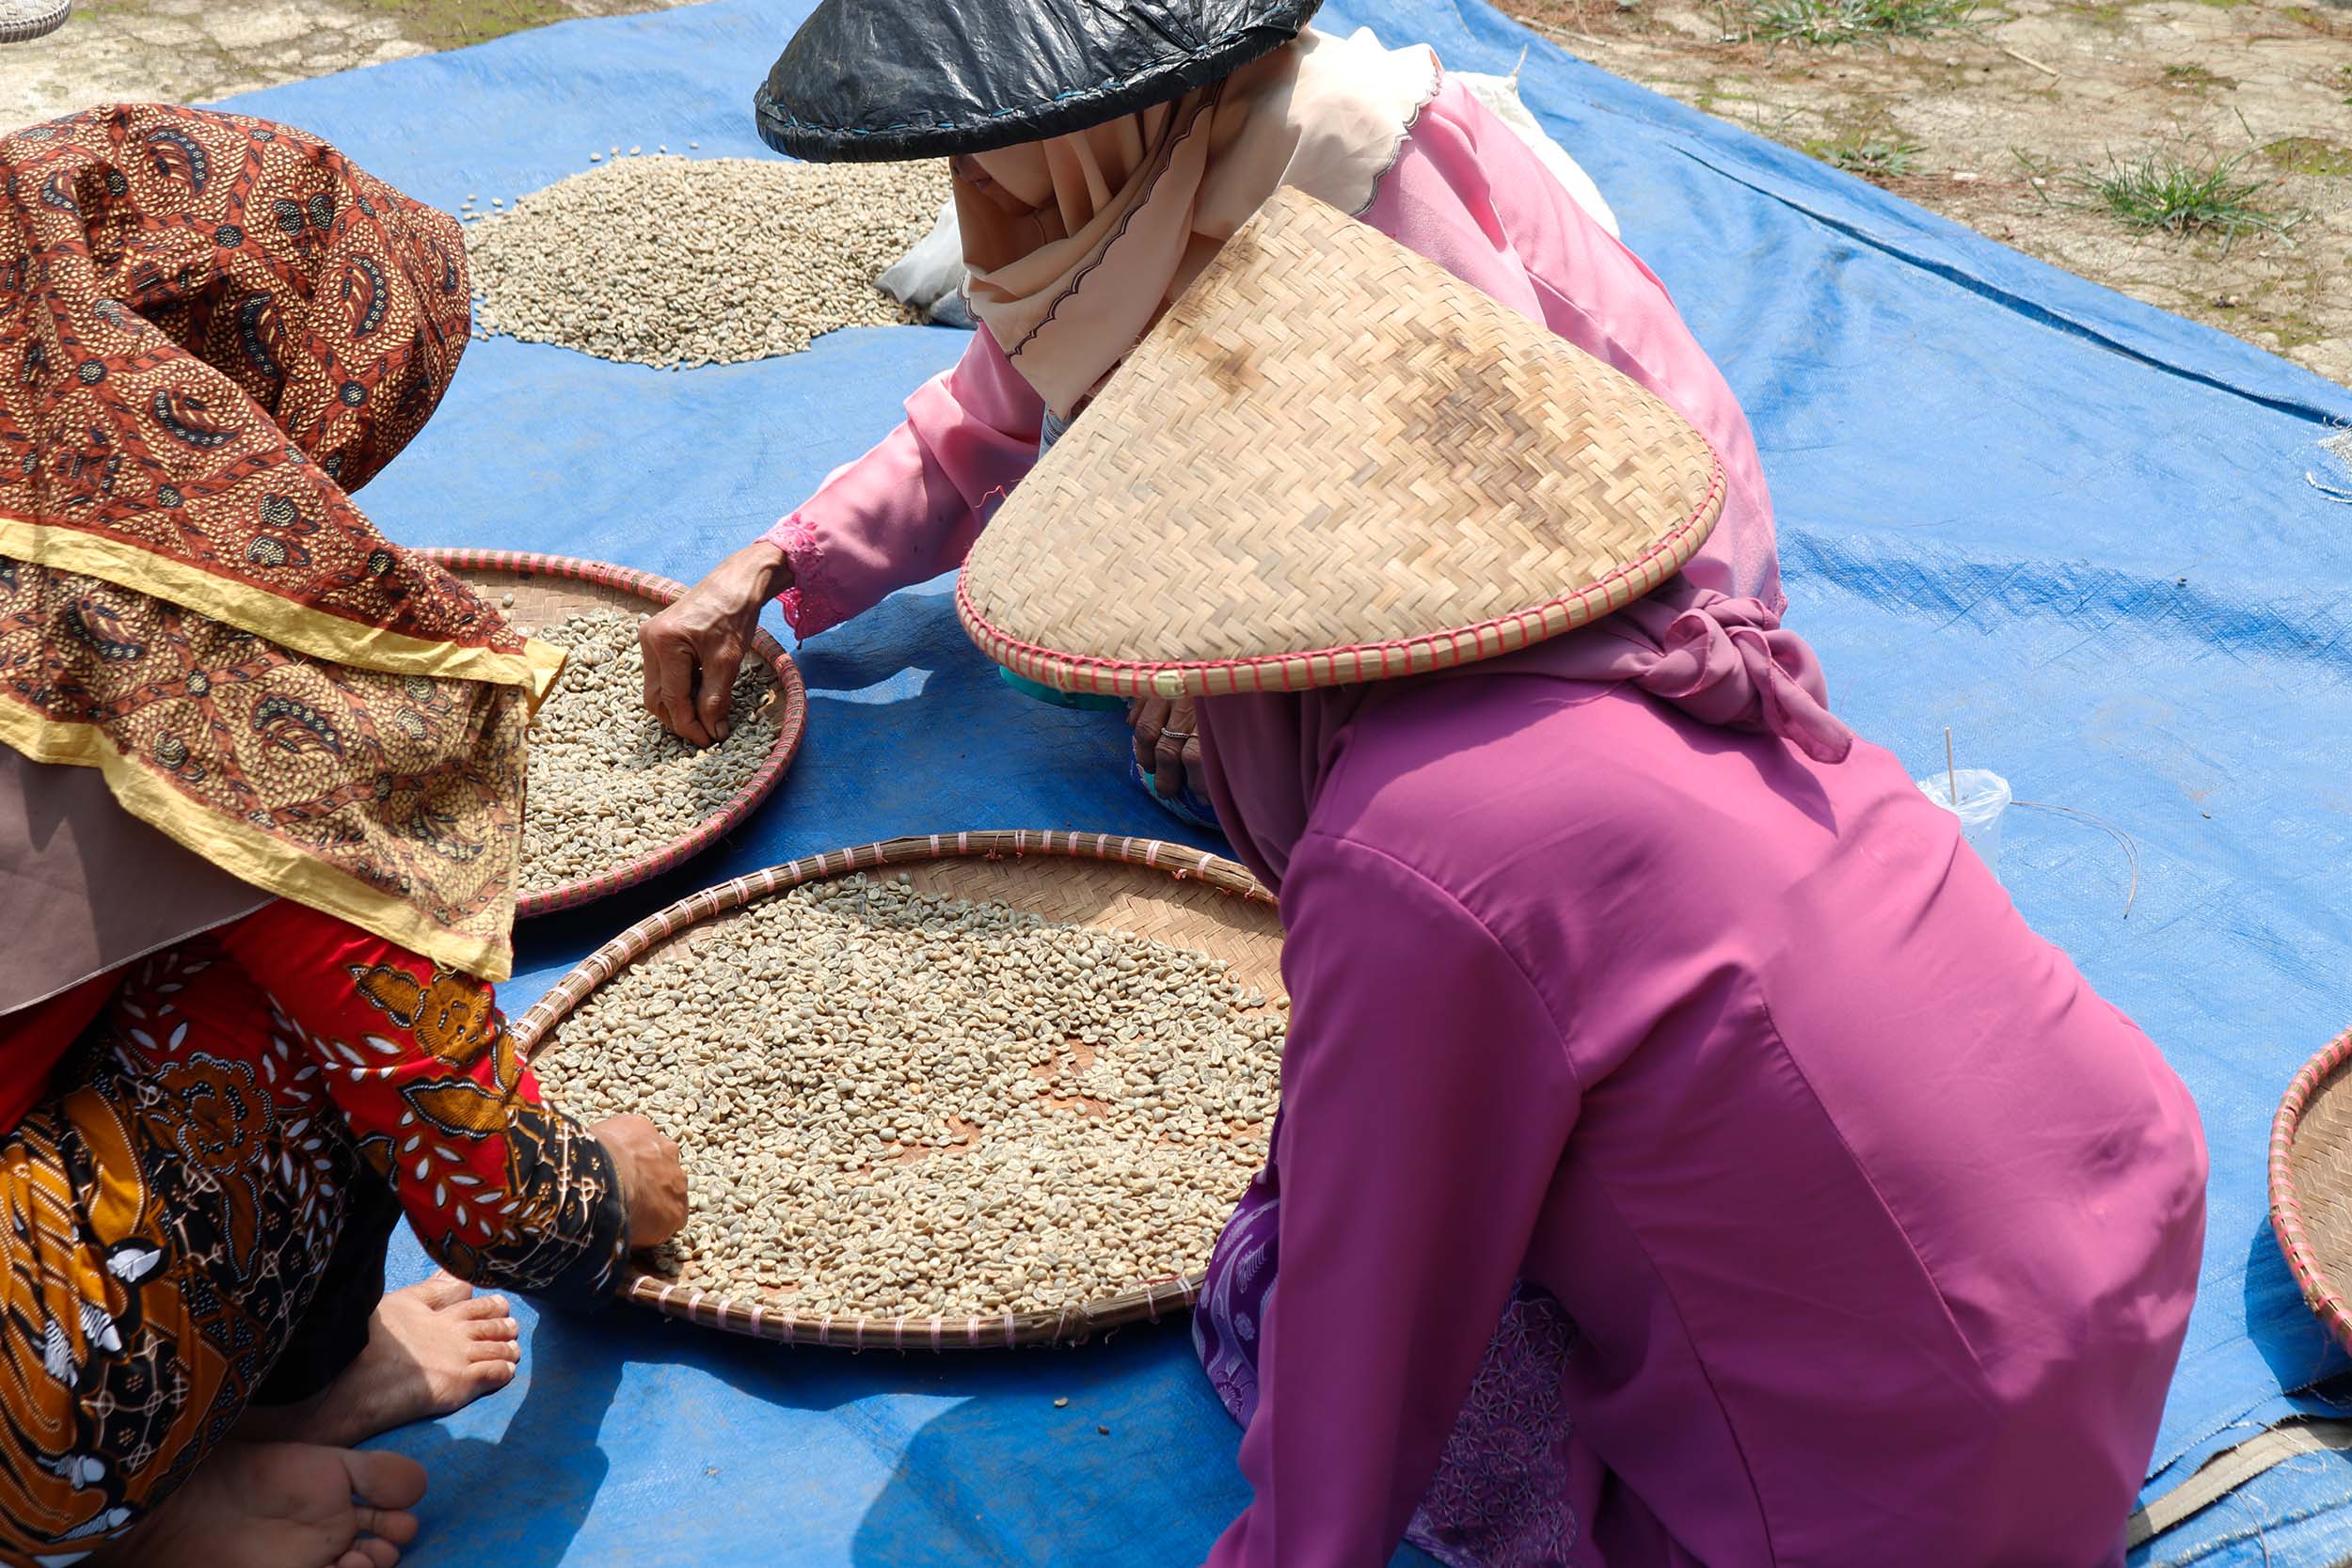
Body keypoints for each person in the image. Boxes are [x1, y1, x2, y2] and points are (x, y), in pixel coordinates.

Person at [948, 180, 2209, 1567]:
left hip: (1907, 1498)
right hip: (2115, 1298)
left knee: (1265, 1292)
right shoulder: (1670, 645)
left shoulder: (1408, 849)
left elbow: (1357, 1356)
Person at [0, 104, 686, 1568]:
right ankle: (129, 1502)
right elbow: (500, 1201)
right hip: (15, 1420)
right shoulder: (179, 661)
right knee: (345, 928)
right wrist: (614, 1185)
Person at [637, 1, 1774, 837]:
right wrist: (774, 560)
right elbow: (982, 423)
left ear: (1095, 117)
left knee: (1445, 810)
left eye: (980, 150)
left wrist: (1234, 662)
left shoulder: (1349, 159)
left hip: (1587, 548)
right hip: (1363, 514)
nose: (965, 189)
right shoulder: (1117, 192)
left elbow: (1489, 489)